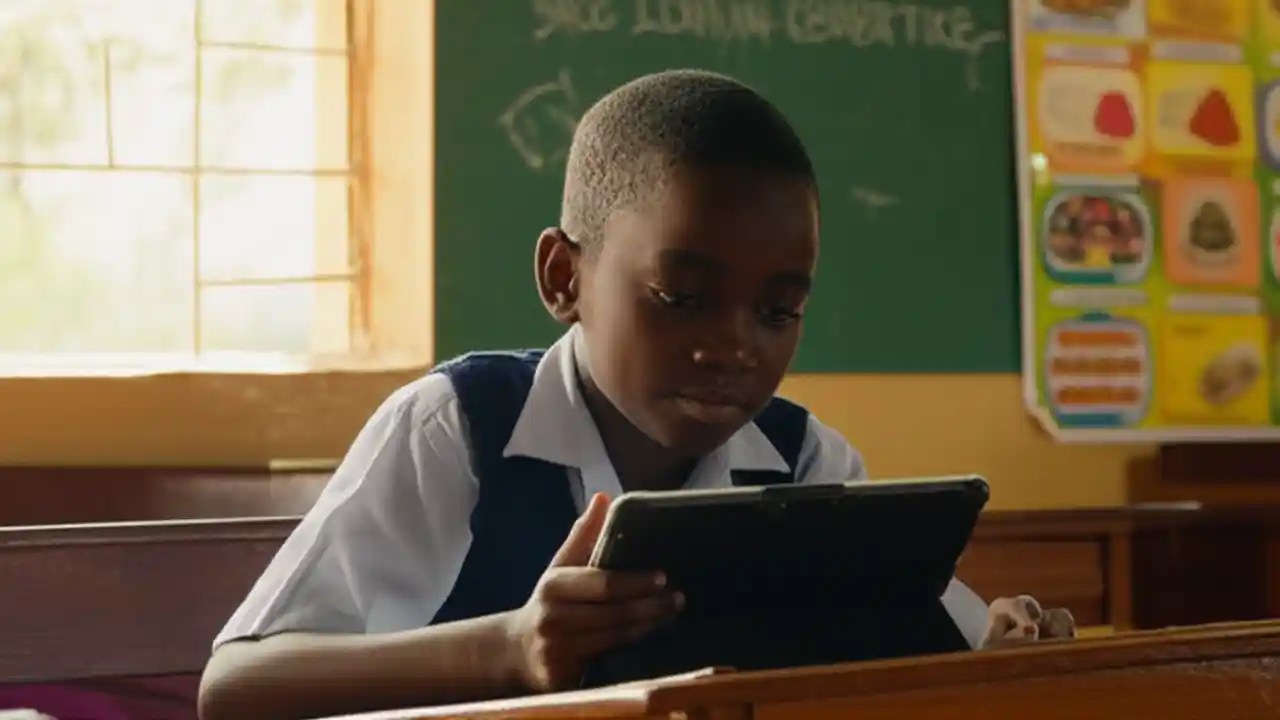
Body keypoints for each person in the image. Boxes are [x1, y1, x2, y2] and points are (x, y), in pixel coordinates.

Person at [198, 70, 1074, 720]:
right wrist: (505, 649)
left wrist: (1004, 648)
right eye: (680, 297)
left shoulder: (806, 464)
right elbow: (234, 688)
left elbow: (936, 648)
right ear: (563, 276)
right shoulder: (459, 430)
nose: (734, 344)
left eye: (779, 310)